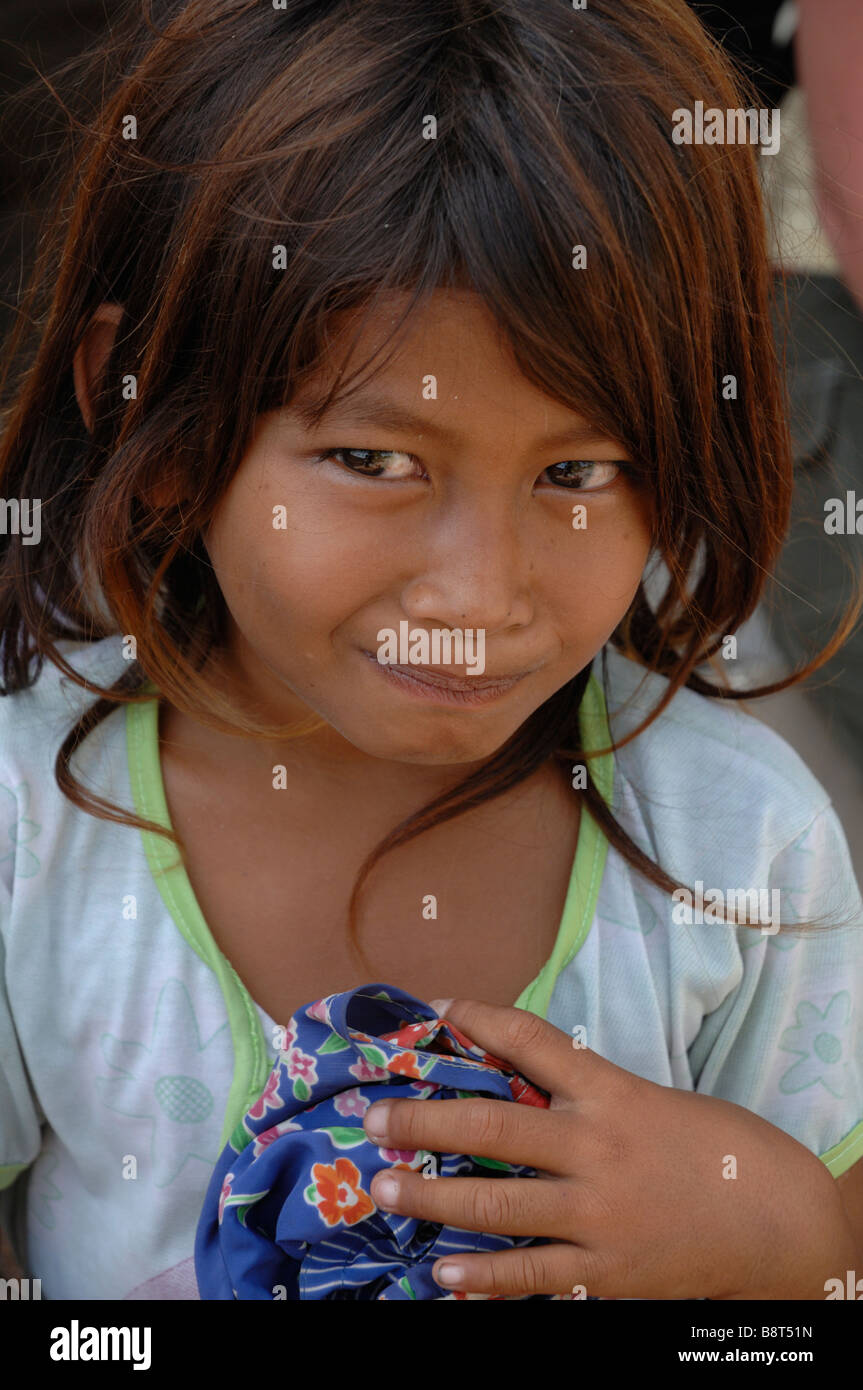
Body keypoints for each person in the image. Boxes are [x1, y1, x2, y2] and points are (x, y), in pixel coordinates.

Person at [0, 0, 861, 1303]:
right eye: (375, 460)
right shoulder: (29, 832)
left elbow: (832, 1249)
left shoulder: (743, 850)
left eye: (579, 469)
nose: (482, 588)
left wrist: (776, 1226)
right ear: (153, 417)